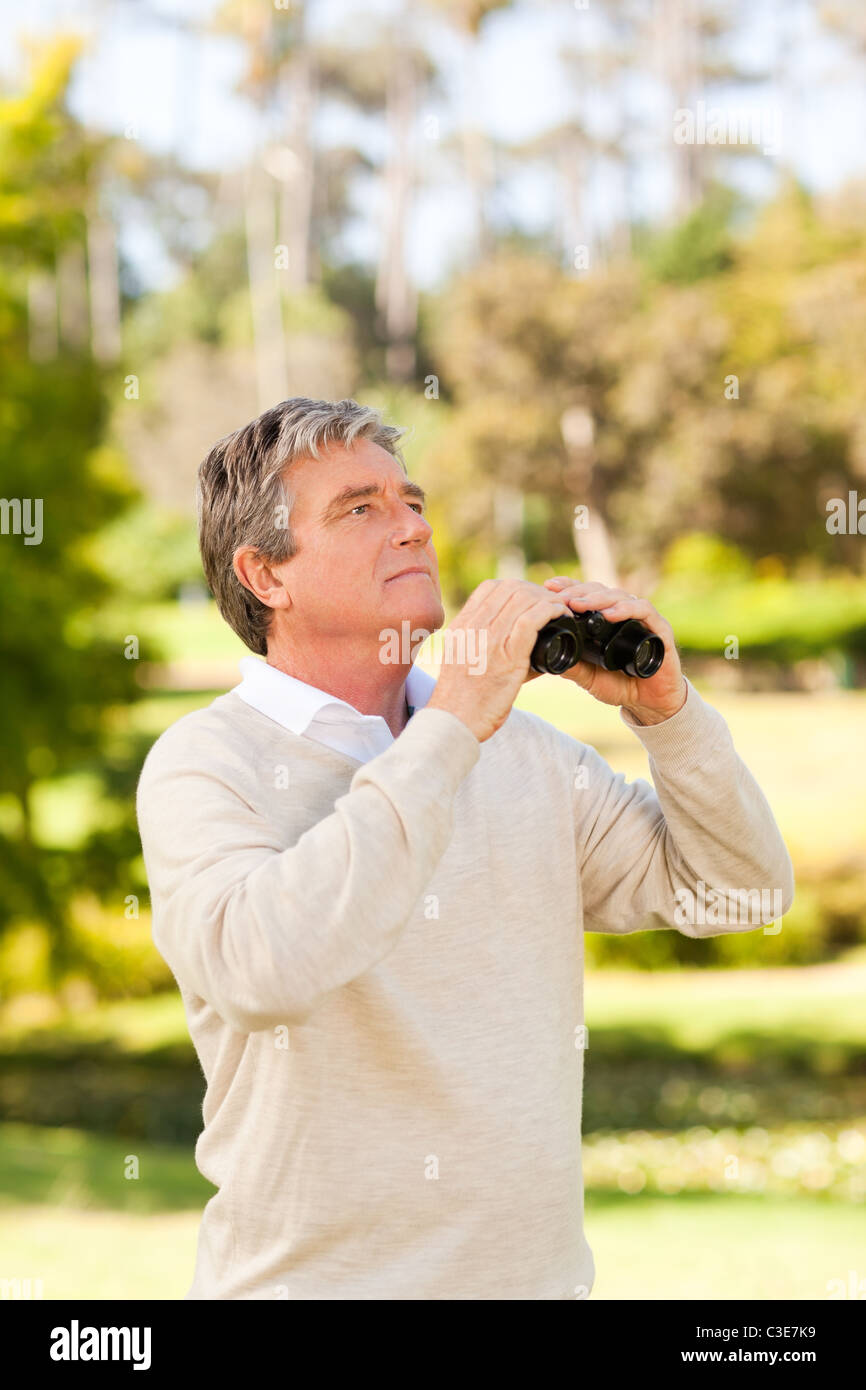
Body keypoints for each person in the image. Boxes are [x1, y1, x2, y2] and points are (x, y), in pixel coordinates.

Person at [135, 396, 794, 1300]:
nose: (411, 527)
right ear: (265, 575)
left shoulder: (522, 753)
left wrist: (669, 715)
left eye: (412, 502)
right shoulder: (207, 766)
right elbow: (263, 967)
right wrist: (452, 723)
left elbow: (741, 895)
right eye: (359, 509)